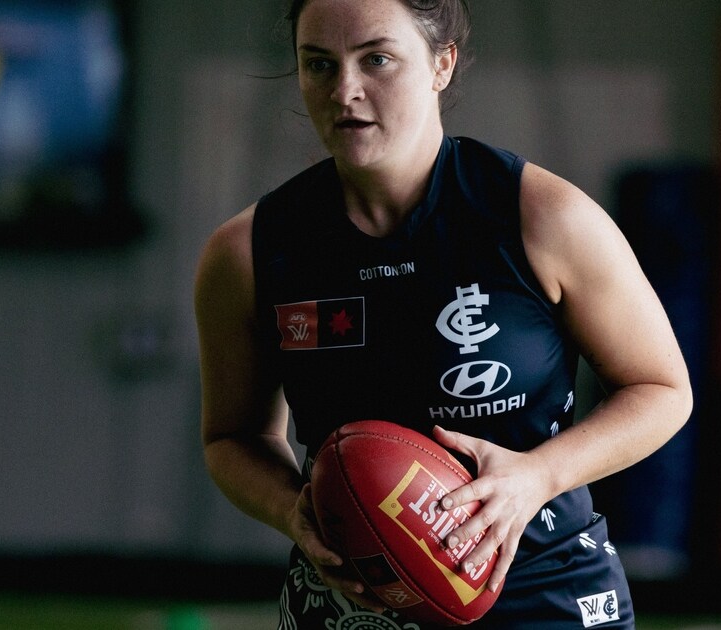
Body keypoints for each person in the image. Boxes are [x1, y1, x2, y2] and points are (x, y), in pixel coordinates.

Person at [193, 0, 692, 627]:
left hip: (544, 594)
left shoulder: (542, 217)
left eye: (376, 59)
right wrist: (293, 507)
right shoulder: (247, 253)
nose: (345, 90)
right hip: (354, 601)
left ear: (441, 64)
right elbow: (233, 437)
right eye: (318, 64)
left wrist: (536, 476)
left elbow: (663, 389)